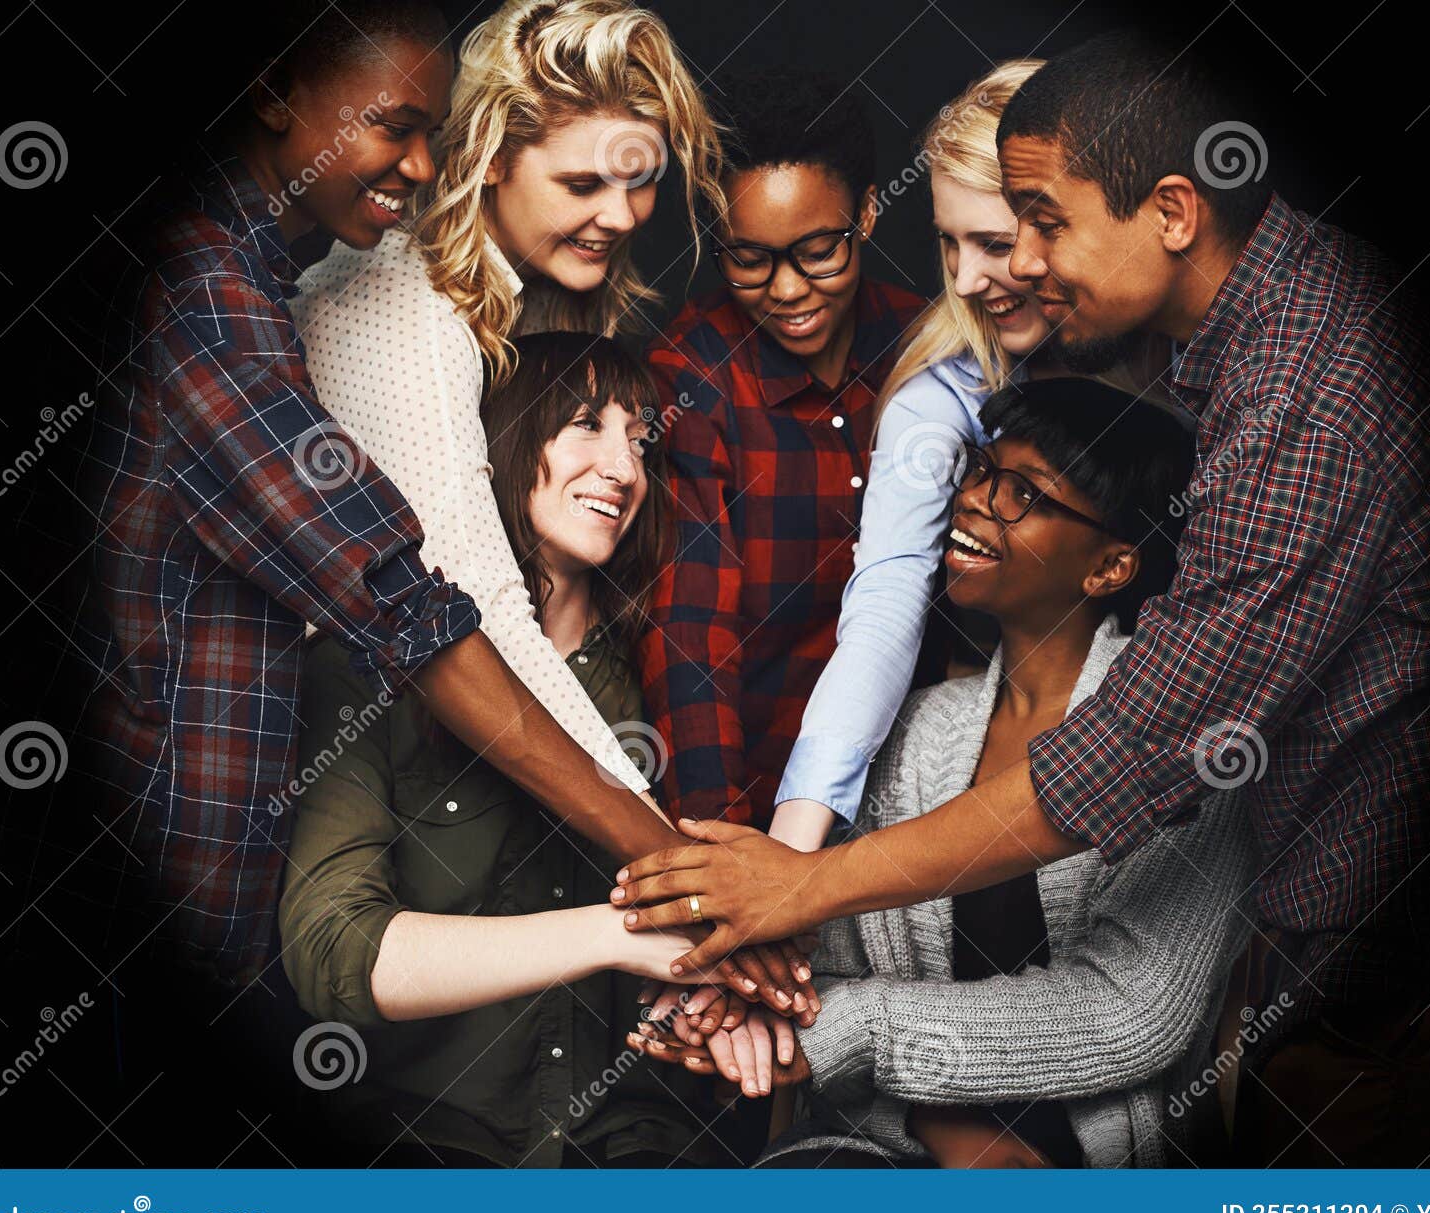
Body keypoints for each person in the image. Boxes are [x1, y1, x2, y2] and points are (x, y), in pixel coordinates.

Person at [612, 32, 1430, 1165]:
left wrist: (802, 883)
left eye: (1044, 223)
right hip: (1326, 979)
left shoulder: (1305, 389)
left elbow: (1139, 748)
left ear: (1171, 211)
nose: (1022, 261)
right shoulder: (1199, 346)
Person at [83, 0, 679, 989]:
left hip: (230, 872)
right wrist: (668, 861)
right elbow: (417, 603)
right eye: (394, 127)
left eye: (429, 137)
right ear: (271, 89)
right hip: (170, 872)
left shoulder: (279, 280)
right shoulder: (213, 293)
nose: (417, 166)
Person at [642, 380, 1252, 1169]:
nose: (971, 502)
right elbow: (830, 963)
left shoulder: (1184, 738)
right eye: (981, 471)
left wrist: (849, 1033)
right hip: (894, 1137)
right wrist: (744, 1012)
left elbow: (1132, 1014)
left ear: (1110, 566)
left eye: (1021, 494)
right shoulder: (920, 727)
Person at [279, 334, 726, 1168]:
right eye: (586, 425)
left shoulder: (658, 683)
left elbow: (697, 925)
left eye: (639, 439)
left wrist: (693, 1003)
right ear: (506, 441)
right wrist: (615, 934)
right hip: (423, 1143)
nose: (624, 468)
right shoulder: (370, 668)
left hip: (631, 1146)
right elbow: (335, 955)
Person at [290, 0, 724, 807]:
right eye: (582, 183)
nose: (620, 216)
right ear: (491, 157)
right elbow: (476, 606)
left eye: (641, 182)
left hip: (477, 764)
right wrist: (661, 846)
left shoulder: (543, 303)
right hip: (356, 772)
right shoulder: (400, 310)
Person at [768, 59, 1173, 853]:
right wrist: (793, 847)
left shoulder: (1188, 357)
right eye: (948, 244)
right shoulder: (939, 396)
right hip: (1029, 771)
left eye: (993, 242)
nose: (967, 277)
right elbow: (884, 610)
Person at [638, 68, 925, 833]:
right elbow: (688, 637)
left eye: (816, 252)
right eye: (750, 259)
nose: (788, 289)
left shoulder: (926, 346)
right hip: (761, 802)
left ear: (866, 213)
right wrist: (724, 848)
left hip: (921, 799)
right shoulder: (690, 379)